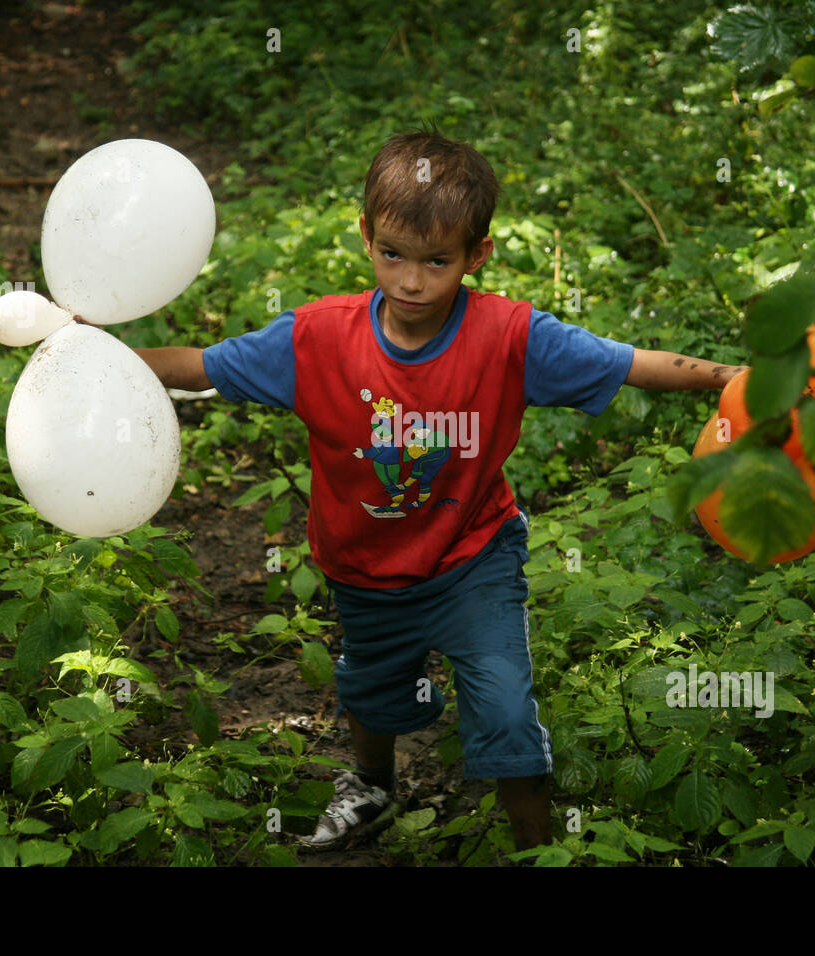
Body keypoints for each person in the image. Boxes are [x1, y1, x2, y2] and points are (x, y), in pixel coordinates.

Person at [123, 129, 747, 859]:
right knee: (371, 688)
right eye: (393, 254)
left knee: (510, 717)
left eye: (436, 261)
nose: (411, 282)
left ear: (476, 255)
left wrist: (727, 378)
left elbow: (628, 362)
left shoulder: (510, 337)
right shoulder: (317, 339)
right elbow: (200, 367)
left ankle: (534, 847)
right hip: (362, 564)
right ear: (365, 236)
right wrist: (100, 355)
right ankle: (372, 785)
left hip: (471, 558)